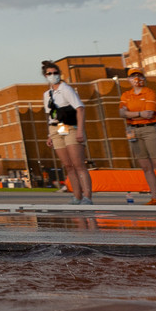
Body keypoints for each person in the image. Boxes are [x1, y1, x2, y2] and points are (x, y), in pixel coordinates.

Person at [119, 69, 156, 205]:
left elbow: (149, 114)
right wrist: (139, 113)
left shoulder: (149, 93)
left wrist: (131, 113)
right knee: (145, 166)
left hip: (151, 129)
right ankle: (155, 197)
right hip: (133, 130)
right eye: (133, 76)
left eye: (139, 75)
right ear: (128, 79)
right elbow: (121, 113)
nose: (136, 78)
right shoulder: (126, 95)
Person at [41, 61, 93, 205]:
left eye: (55, 73)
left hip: (70, 126)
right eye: (49, 74)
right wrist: (50, 135)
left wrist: (80, 130)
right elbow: (50, 115)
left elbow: (80, 108)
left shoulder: (66, 89)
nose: (53, 76)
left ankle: (87, 196)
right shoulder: (47, 94)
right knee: (68, 165)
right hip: (57, 128)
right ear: (45, 76)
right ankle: (77, 196)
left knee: (78, 164)